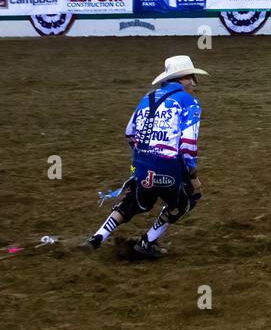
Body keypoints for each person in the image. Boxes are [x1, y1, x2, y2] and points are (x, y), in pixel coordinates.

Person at [83, 55, 207, 261]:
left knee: (134, 201)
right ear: (182, 79)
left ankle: (97, 237)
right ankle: (148, 241)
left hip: (142, 165)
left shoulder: (147, 98)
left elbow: (130, 133)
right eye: (191, 77)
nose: (194, 83)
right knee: (189, 197)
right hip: (168, 167)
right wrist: (193, 174)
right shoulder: (189, 102)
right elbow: (188, 144)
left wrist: (142, 154)